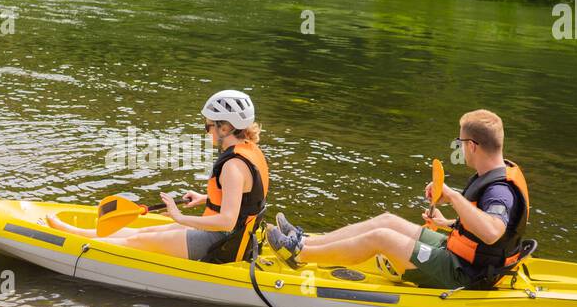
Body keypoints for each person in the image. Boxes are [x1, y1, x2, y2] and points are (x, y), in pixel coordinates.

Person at [268, 109, 530, 289]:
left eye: (460, 142)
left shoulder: (500, 190)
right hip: (458, 254)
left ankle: (299, 255)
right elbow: (479, 231)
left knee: (381, 237)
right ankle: (305, 241)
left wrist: (451, 196)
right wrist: (447, 223)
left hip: (467, 273)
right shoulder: (492, 173)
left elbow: (493, 232)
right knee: (387, 221)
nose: (460, 148)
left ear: (472, 145)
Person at [47, 90, 270, 263]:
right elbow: (244, 201)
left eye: (208, 125)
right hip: (230, 237)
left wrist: (178, 216)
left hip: (221, 243)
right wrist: (204, 199)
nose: (206, 131)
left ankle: (76, 246)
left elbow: (227, 221)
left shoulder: (233, 166)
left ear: (225, 128)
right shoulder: (248, 150)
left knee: (140, 240)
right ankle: (77, 233)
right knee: (148, 229)